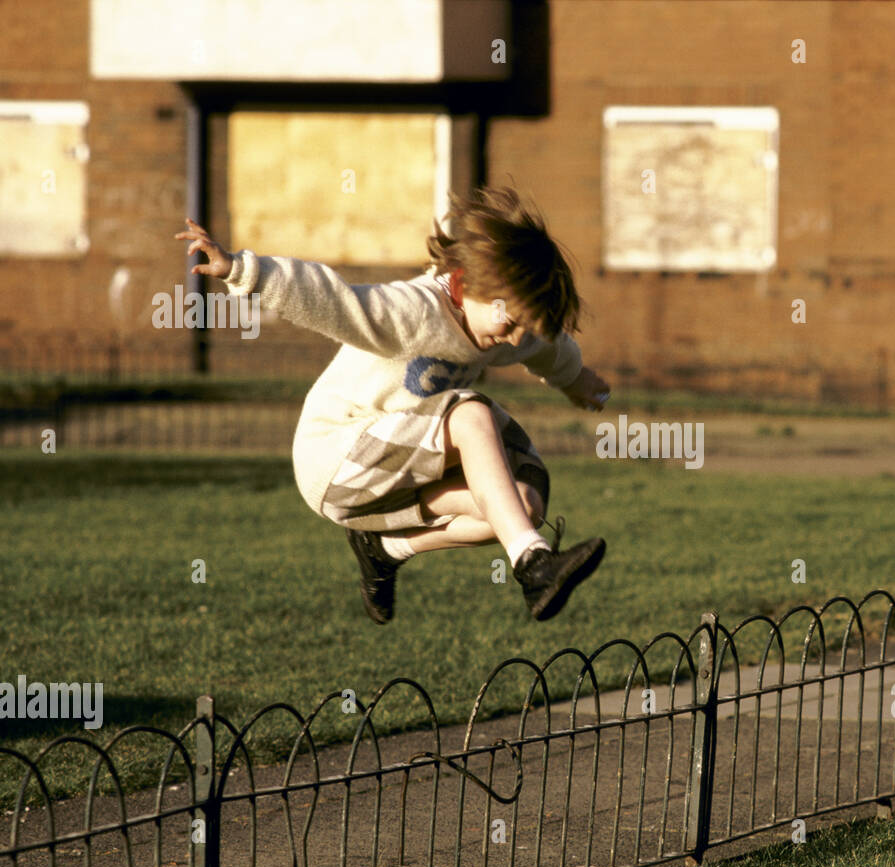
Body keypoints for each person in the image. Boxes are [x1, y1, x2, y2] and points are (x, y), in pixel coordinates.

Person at [175, 186, 609, 624]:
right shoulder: (415, 311)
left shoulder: (501, 326)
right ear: (469, 283)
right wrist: (242, 270)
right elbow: (332, 300)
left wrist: (576, 379)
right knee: (471, 415)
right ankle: (533, 566)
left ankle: (384, 549)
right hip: (335, 455)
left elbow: (546, 347)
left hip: (393, 470)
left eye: (524, 328)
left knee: (522, 503)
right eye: (510, 323)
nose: (514, 340)